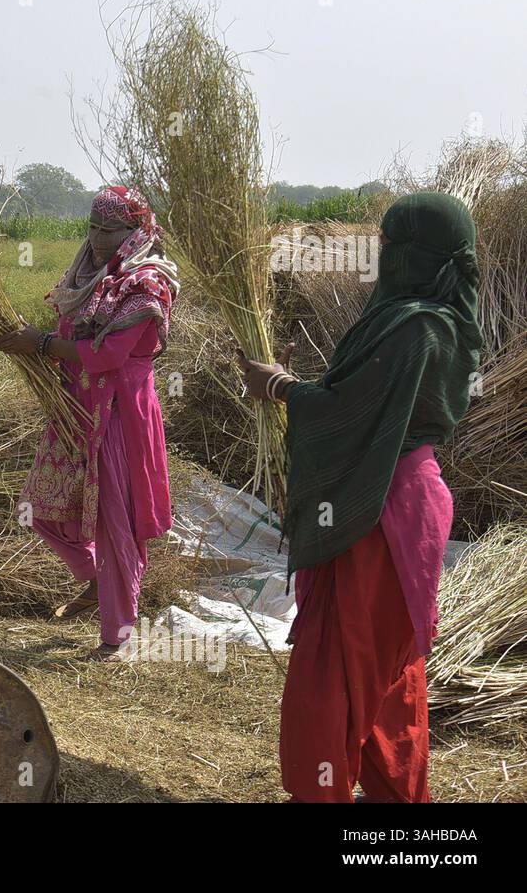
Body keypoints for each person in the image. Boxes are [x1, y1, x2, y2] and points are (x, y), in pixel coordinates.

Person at [238, 192, 481, 803]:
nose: (386, 257)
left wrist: (284, 390)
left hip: (382, 509)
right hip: (397, 501)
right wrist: (297, 387)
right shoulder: (424, 317)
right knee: (383, 673)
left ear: (419, 255)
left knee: (335, 671)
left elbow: (354, 413)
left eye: (395, 246)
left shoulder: (420, 326)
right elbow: (366, 401)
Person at [0, 186, 178, 660]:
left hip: (119, 412)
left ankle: (118, 635)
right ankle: (96, 578)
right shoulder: (85, 275)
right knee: (41, 507)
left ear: (134, 230)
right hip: (75, 409)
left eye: (109, 229)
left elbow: (112, 353)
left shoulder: (146, 281)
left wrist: (39, 346)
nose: (98, 237)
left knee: (117, 519)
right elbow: (65, 335)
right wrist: (29, 340)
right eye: (93, 227)